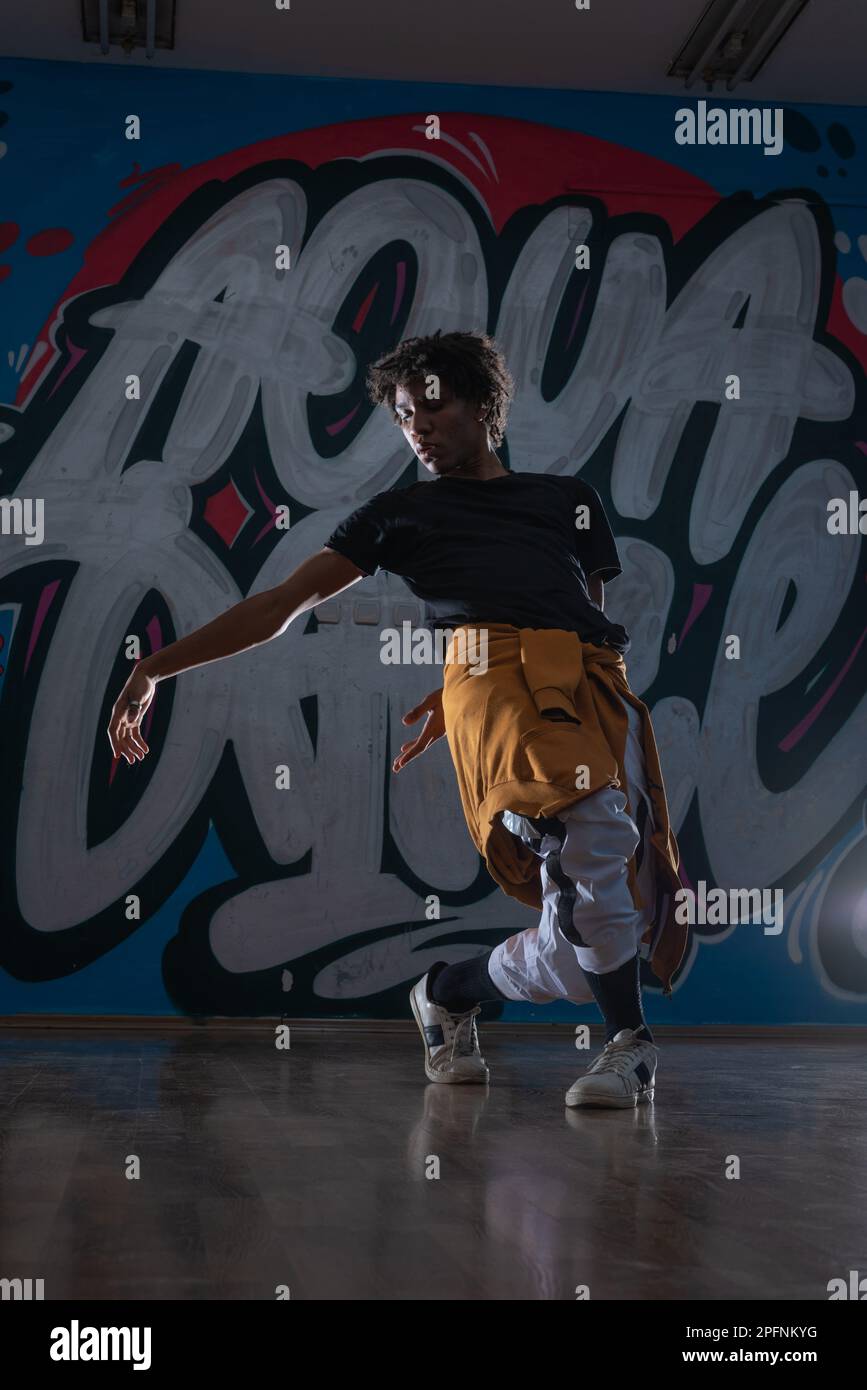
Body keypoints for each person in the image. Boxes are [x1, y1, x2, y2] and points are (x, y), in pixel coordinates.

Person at [107, 330, 682, 1110]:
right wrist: (153, 667)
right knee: (590, 833)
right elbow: (281, 607)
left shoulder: (566, 499)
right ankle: (631, 1046)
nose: (417, 425)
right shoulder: (400, 514)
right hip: (495, 692)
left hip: (588, 685)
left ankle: (446, 991)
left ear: (484, 404)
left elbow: (578, 612)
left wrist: (484, 684)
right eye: (404, 414)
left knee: (578, 945)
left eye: (432, 405)